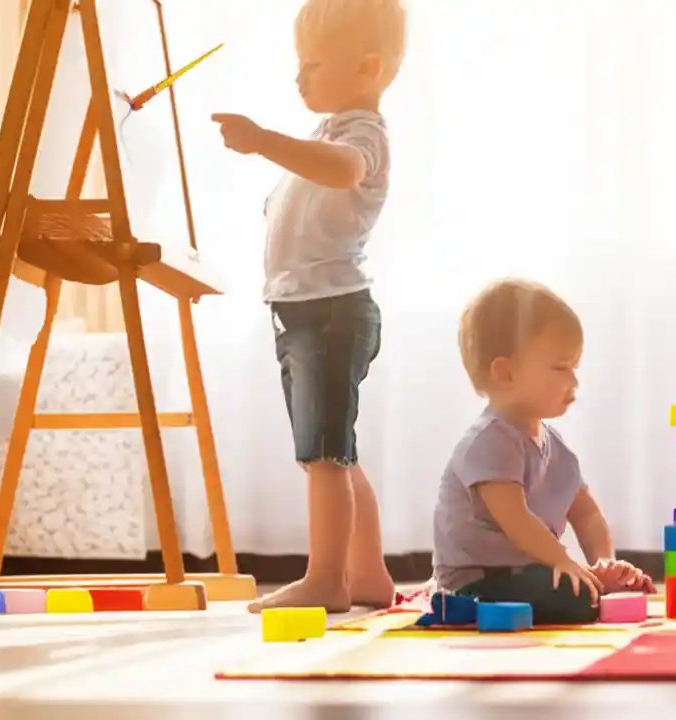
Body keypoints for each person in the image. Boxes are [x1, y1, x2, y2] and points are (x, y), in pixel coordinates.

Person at [210, 0, 407, 612]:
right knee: (331, 453)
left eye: (313, 64)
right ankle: (367, 573)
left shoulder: (360, 135)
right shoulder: (327, 132)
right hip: (302, 312)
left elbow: (343, 171)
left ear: (367, 69)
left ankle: (327, 580)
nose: (299, 77)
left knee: (324, 454)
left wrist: (265, 141)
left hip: (331, 312)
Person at [431, 278, 654, 624]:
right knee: (574, 597)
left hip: (527, 572)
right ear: (506, 373)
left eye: (574, 368)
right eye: (561, 368)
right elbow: (517, 521)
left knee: (581, 590)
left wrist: (604, 565)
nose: (574, 382)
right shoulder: (489, 441)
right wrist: (564, 561)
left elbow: (587, 513)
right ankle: (459, 607)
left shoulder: (556, 446)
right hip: (476, 581)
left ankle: (590, 587)